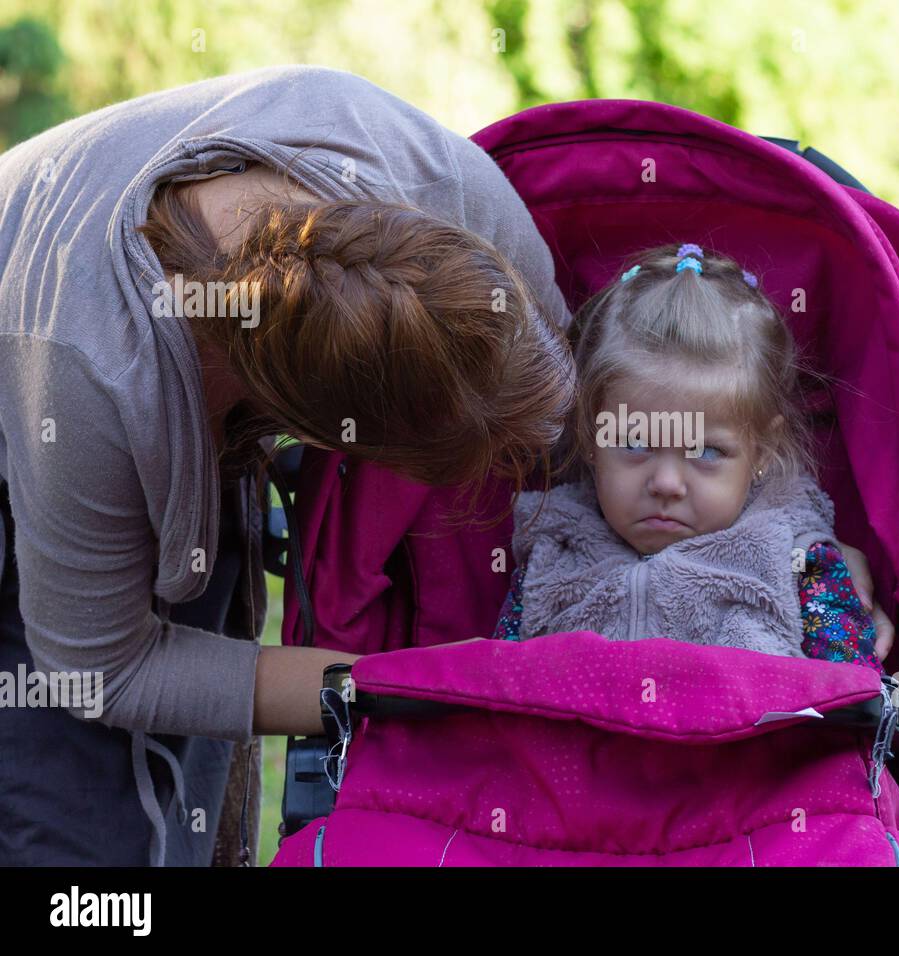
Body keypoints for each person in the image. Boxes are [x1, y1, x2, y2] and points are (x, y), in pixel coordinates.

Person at [0, 65, 575, 866]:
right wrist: (404, 688)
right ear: (316, 436)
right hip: (32, 407)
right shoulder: (93, 374)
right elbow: (101, 670)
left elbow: (561, 405)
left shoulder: (454, 194)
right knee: (76, 836)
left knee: (192, 802)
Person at [490, 243, 895, 668]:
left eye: (705, 450)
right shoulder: (553, 543)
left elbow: (850, 700)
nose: (666, 483)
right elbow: (497, 690)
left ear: (762, 449)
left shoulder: (797, 560)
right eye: (634, 443)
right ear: (591, 437)